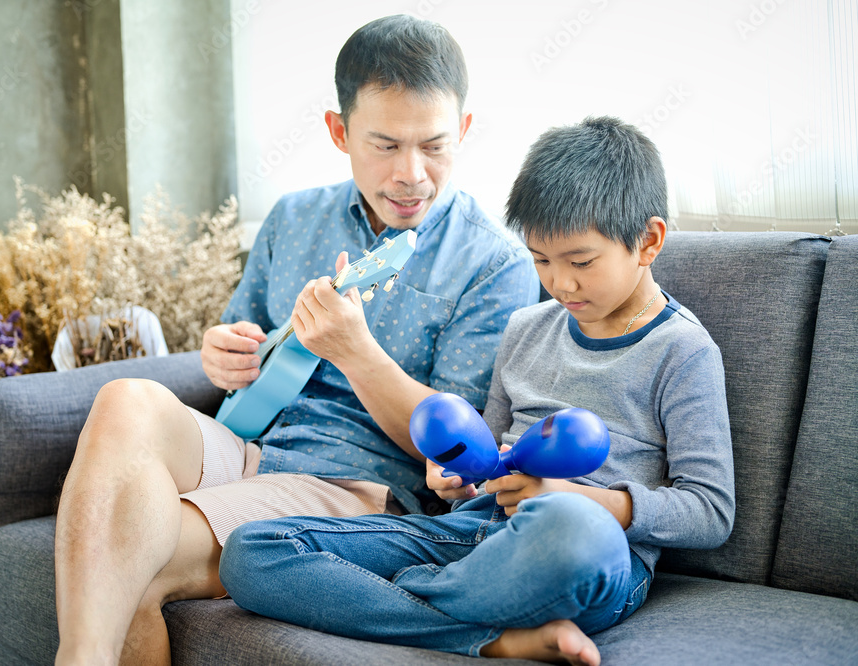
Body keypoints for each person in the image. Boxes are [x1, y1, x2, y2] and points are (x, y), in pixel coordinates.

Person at [53, 14, 539, 666]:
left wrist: (356, 351)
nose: (412, 173)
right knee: (123, 398)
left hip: (358, 487)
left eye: (433, 144)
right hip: (255, 445)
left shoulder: (494, 262)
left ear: (466, 131)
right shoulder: (295, 216)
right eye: (385, 144)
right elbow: (244, 357)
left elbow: (454, 458)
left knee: (133, 559)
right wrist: (222, 355)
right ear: (339, 132)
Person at [219, 117, 736, 665]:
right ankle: (492, 637)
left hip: (589, 548)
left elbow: (710, 511)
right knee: (252, 552)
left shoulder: (682, 351)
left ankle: (405, 593)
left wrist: (593, 501)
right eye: (541, 260)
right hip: (472, 533)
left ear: (648, 241)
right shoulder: (526, 328)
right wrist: (452, 478)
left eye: (581, 262)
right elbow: (484, 457)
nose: (561, 283)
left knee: (570, 530)